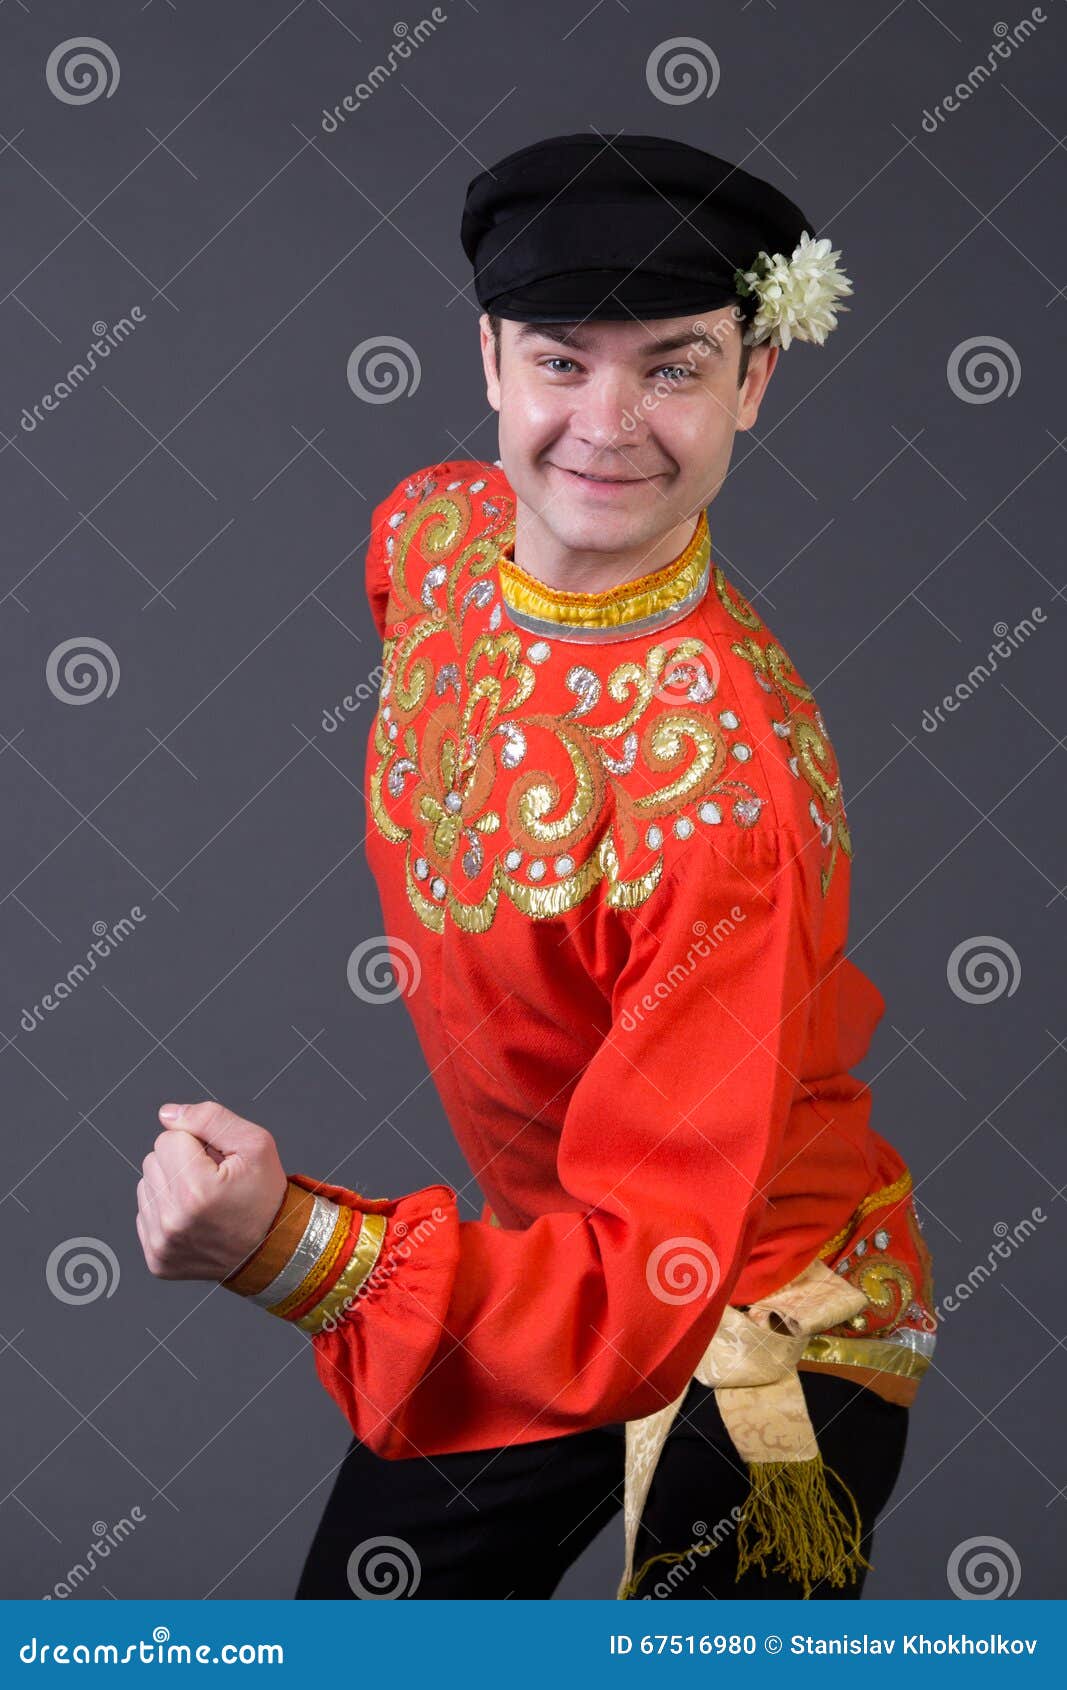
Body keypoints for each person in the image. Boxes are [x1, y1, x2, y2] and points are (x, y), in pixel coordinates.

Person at [135, 131, 937, 1600]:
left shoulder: (725, 814)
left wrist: (294, 1247)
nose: (609, 425)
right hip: (556, 1262)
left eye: (677, 367)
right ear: (491, 358)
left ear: (755, 382)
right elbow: (432, 606)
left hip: (750, 1316)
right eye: (565, 362)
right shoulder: (439, 535)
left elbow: (656, 1284)